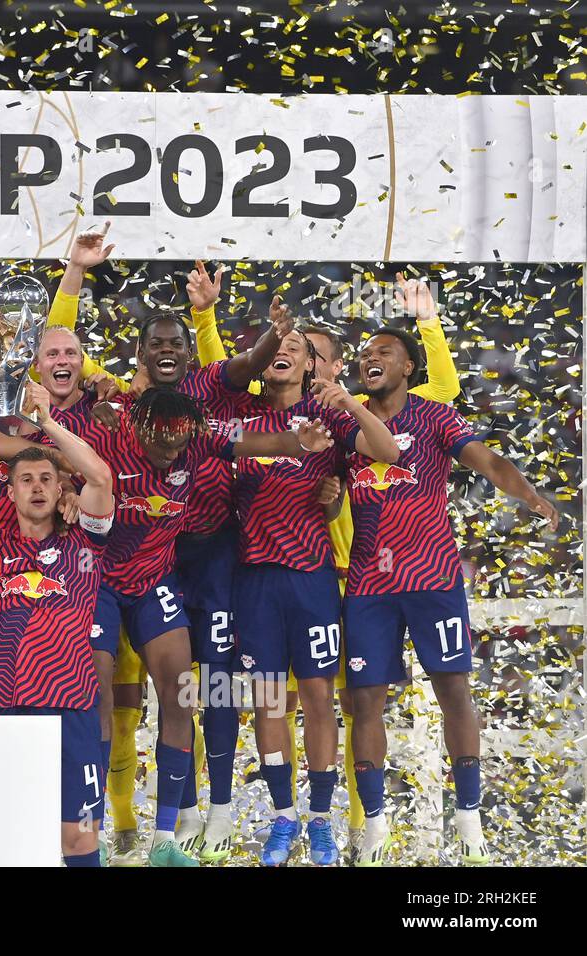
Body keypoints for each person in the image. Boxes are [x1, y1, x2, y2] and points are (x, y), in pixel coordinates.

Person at [90, 384, 341, 865]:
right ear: (136, 427)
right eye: (159, 443)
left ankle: (168, 834)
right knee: (99, 699)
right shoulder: (109, 429)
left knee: (185, 690)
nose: (169, 452)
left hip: (156, 577)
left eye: (177, 444)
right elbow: (49, 453)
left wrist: (300, 442)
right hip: (99, 578)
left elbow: (258, 443)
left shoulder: (198, 433)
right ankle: (91, 828)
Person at [343, 328, 558, 867]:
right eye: (366, 354)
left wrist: (529, 492)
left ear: (408, 367)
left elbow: (488, 461)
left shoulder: (433, 416)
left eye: (384, 353)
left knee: (453, 692)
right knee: (365, 701)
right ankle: (374, 825)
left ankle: (469, 818)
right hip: (369, 582)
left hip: (433, 579)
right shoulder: (343, 418)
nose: (371, 358)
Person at [225, 323, 400, 866]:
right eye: (274, 347)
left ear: (310, 365)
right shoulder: (238, 416)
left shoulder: (329, 418)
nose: (281, 353)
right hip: (253, 578)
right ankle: (283, 817)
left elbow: (388, 452)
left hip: (312, 577)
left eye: (294, 349)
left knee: (321, 698)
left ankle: (320, 819)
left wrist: (338, 487)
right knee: (270, 700)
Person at [0, 380, 114, 866]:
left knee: (78, 840)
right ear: (10, 491)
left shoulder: (87, 542)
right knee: (11, 846)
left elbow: (100, 479)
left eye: (45, 479)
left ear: (60, 489)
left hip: (73, 708)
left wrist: (50, 424)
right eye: (26, 480)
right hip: (6, 707)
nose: (37, 487)